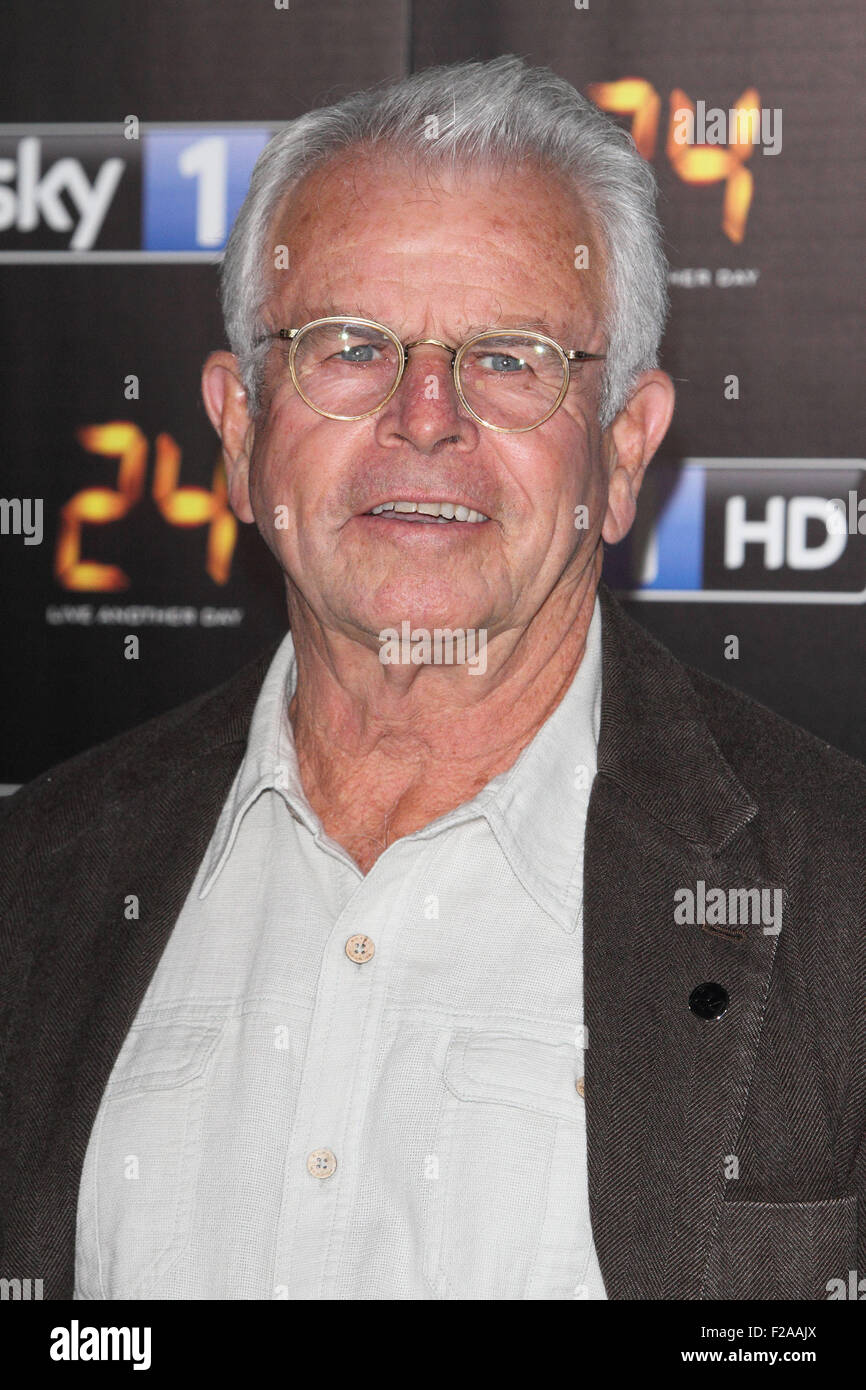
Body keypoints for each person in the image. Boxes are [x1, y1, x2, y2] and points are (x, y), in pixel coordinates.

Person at [1, 55, 863, 1302]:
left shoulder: (836, 894)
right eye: (350, 346)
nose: (424, 415)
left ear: (622, 454)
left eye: (508, 359)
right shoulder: (40, 878)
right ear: (239, 435)